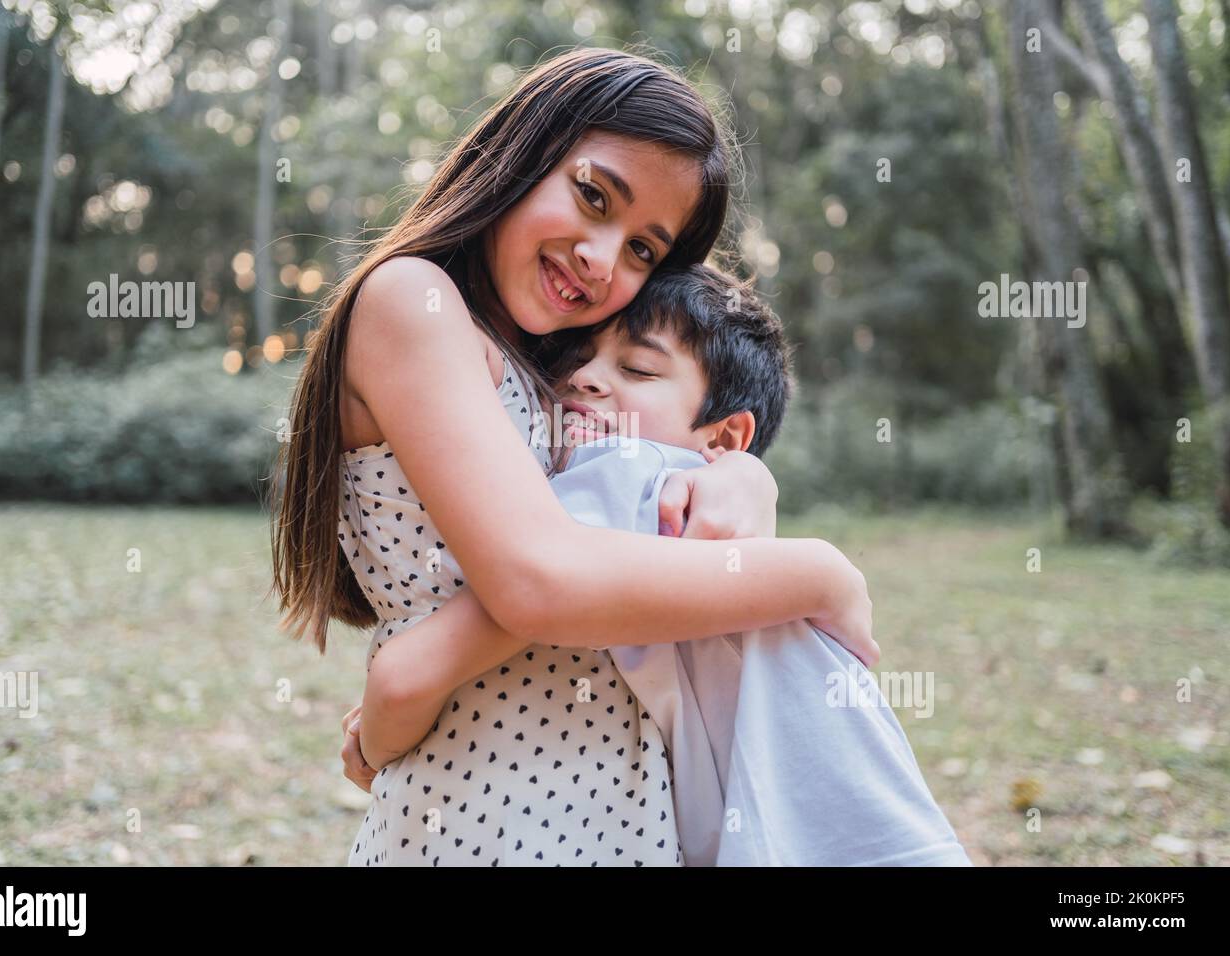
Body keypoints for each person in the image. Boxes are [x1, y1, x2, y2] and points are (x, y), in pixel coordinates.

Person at [275, 48, 874, 867]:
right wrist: (823, 575)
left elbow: (629, 491)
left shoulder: (541, 368)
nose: (602, 259)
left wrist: (738, 472)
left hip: (626, 815)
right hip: (489, 824)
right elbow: (537, 579)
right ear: (517, 153)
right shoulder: (412, 300)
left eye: (642, 252)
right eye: (593, 196)